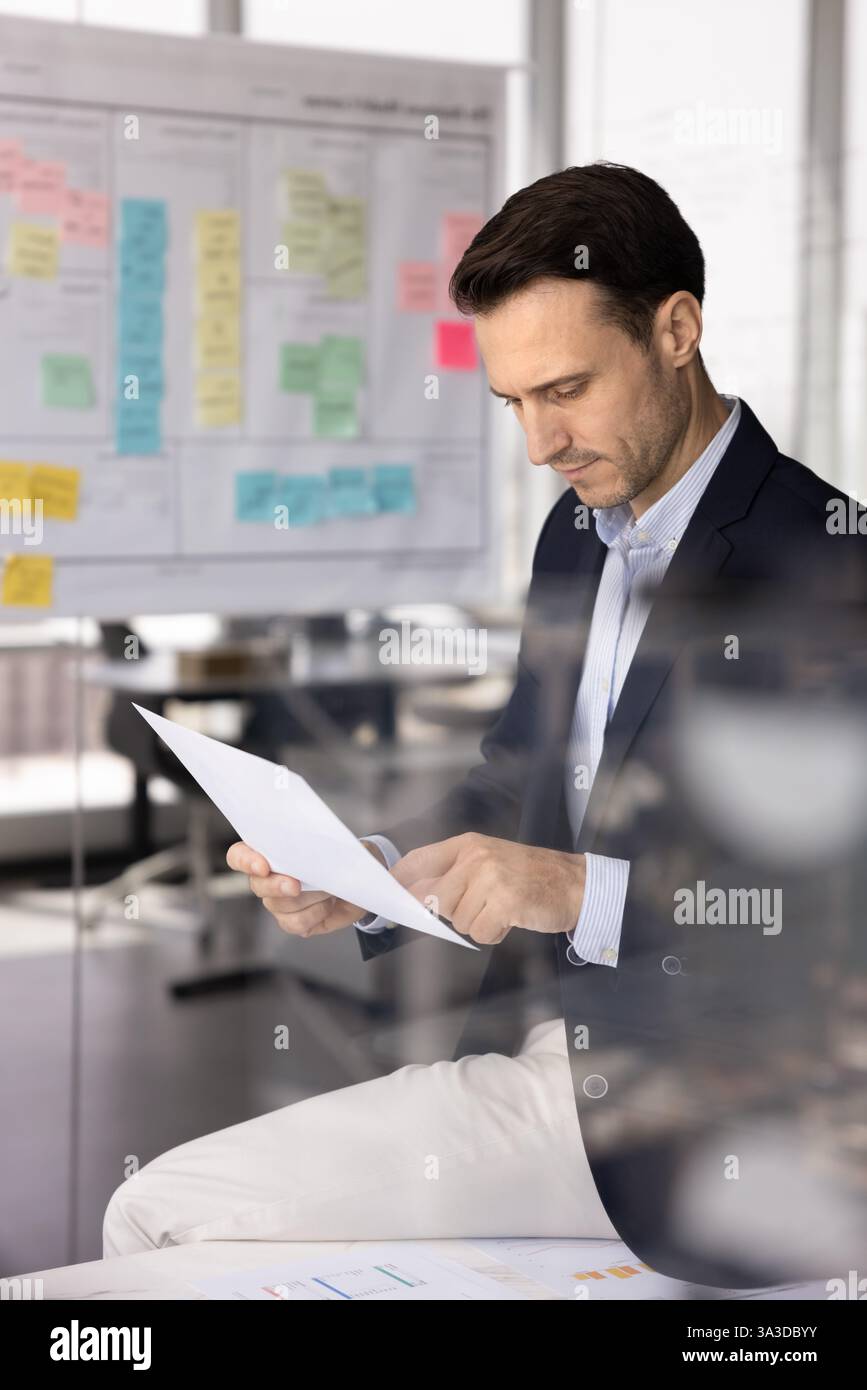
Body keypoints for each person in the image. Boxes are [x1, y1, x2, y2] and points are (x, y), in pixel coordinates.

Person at [103, 163, 865, 1286]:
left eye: (565, 388)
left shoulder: (827, 559)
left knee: (160, 1215)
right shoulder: (579, 534)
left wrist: (574, 888)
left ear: (677, 329)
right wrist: (370, 872)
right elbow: (518, 774)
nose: (539, 444)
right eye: (513, 402)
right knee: (163, 1214)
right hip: (552, 1055)